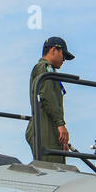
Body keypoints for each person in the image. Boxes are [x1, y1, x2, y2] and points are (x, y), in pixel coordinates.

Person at [24, 36, 73, 164]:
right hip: (45, 128)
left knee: (57, 169)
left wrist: (60, 137)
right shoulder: (44, 68)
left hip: (50, 128)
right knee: (51, 170)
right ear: (53, 50)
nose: (64, 59)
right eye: (63, 55)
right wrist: (60, 124)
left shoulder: (49, 70)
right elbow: (47, 96)